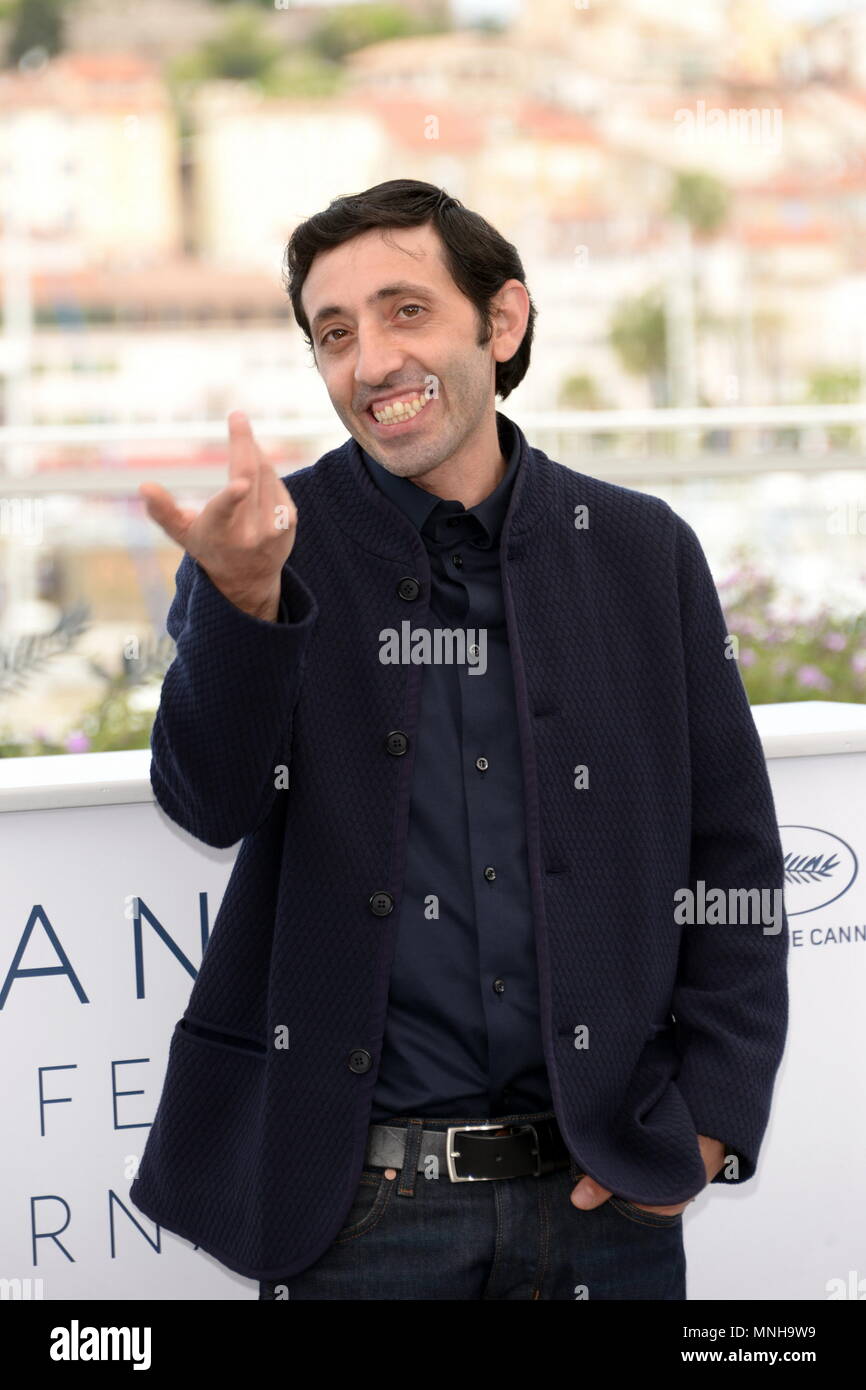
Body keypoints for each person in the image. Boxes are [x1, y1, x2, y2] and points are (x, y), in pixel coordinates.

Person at [132, 179, 788, 1300]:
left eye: (405, 311)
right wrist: (242, 608)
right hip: (359, 1216)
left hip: (604, 1205)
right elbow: (209, 802)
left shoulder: (638, 550)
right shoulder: (268, 544)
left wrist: (709, 1124)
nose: (371, 359)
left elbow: (732, 860)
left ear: (501, 322)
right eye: (333, 334)